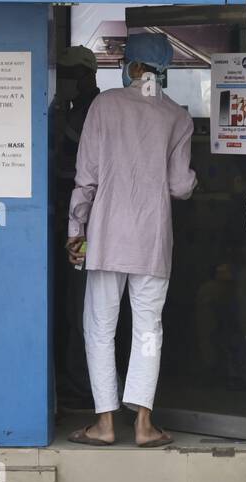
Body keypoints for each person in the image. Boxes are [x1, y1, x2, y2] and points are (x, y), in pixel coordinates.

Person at [65, 32, 197, 447]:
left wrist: (76, 229)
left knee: (100, 329)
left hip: (105, 235)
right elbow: (179, 186)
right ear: (162, 70)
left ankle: (104, 425)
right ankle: (143, 425)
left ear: (132, 66)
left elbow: (86, 176)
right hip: (151, 237)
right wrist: (193, 179)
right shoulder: (178, 116)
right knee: (147, 329)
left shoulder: (105, 105)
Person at [50, 45, 100, 411]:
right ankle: (76, 381)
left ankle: (86, 388)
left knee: (83, 306)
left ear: (86, 76)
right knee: (72, 304)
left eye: (69, 74)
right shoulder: (70, 110)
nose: (64, 81)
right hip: (70, 222)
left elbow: (79, 174)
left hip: (87, 225)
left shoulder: (93, 113)